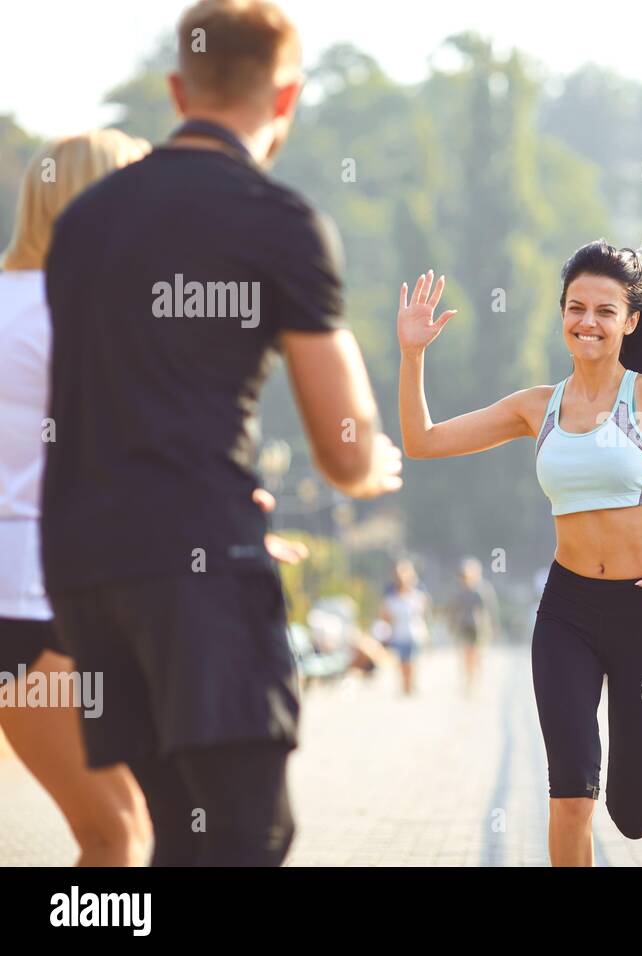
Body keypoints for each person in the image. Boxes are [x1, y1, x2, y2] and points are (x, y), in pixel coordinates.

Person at [41, 0, 402, 867]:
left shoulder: (84, 221)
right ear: (287, 99)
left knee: (183, 831)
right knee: (249, 832)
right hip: (195, 560)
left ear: (178, 87)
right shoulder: (277, 220)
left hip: (86, 566)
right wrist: (372, 465)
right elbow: (345, 448)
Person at [396, 241, 642, 865]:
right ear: (562, 313)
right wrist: (411, 355)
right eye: (576, 307)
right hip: (566, 613)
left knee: (632, 813)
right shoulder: (538, 408)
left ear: (630, 321)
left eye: (605, 310)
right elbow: (422, 442)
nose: (588, 321)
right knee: (571, 795)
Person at [0, 130, 153, 866]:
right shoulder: (85, 315)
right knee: (116, 834)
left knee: (120, 827)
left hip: (24, 598)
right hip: (37, 601)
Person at [378, 559, 431, 695]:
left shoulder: (418, 595)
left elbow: (424, 613)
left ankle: (411, 684)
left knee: (412, 661)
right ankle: (405, 685)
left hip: (415, 634)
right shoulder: (390, 597)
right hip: (398, 634)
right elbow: (384, 616)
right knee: (402, 662)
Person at [443, 557, 496, 692]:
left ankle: (477, 680)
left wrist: (493, 627)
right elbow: (453, 609)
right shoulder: (458, 591)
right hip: (464, 626)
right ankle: (468, 681)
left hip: (479, 628)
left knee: (477, 654)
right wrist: (451, 624)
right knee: (466, 654)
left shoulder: (482, 589)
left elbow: (489, 609)